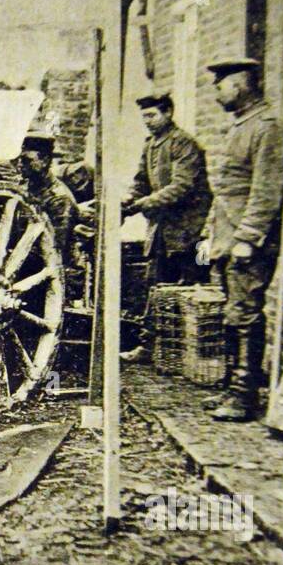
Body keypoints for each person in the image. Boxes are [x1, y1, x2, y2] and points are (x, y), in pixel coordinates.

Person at [199, 57, 283, 421]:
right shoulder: (241, 125)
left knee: (246, 314)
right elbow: (226, 191)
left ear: (239, 84)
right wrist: (211, 232)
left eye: (221, 85)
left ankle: (244, 396)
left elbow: (266, 189)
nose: (217, 92)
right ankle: (230, 387)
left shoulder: (268, 127)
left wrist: (248, 237)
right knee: (232, 313)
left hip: (247, 240)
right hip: (228, 236)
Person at [118, 90, 212, 362]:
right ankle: (149, 348)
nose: (147, 120)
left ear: (168, 113)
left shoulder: (184, 144)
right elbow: (140, 181)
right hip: (162, 231)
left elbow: (181, 187)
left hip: (191, 233)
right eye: (144, 116)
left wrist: (143, 203)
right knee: (156, 288)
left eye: (152, 115)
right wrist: (129, 198)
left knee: (190, 289)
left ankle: (191, 353)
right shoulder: (151, 145)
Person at [18, 128, 84, 288]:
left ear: (45, 161)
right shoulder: (25, 187)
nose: (20, 165)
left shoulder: (60, 199)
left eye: (27, 160)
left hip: (57, 274)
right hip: (28, 265)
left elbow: (54, 247)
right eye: (20, 160)